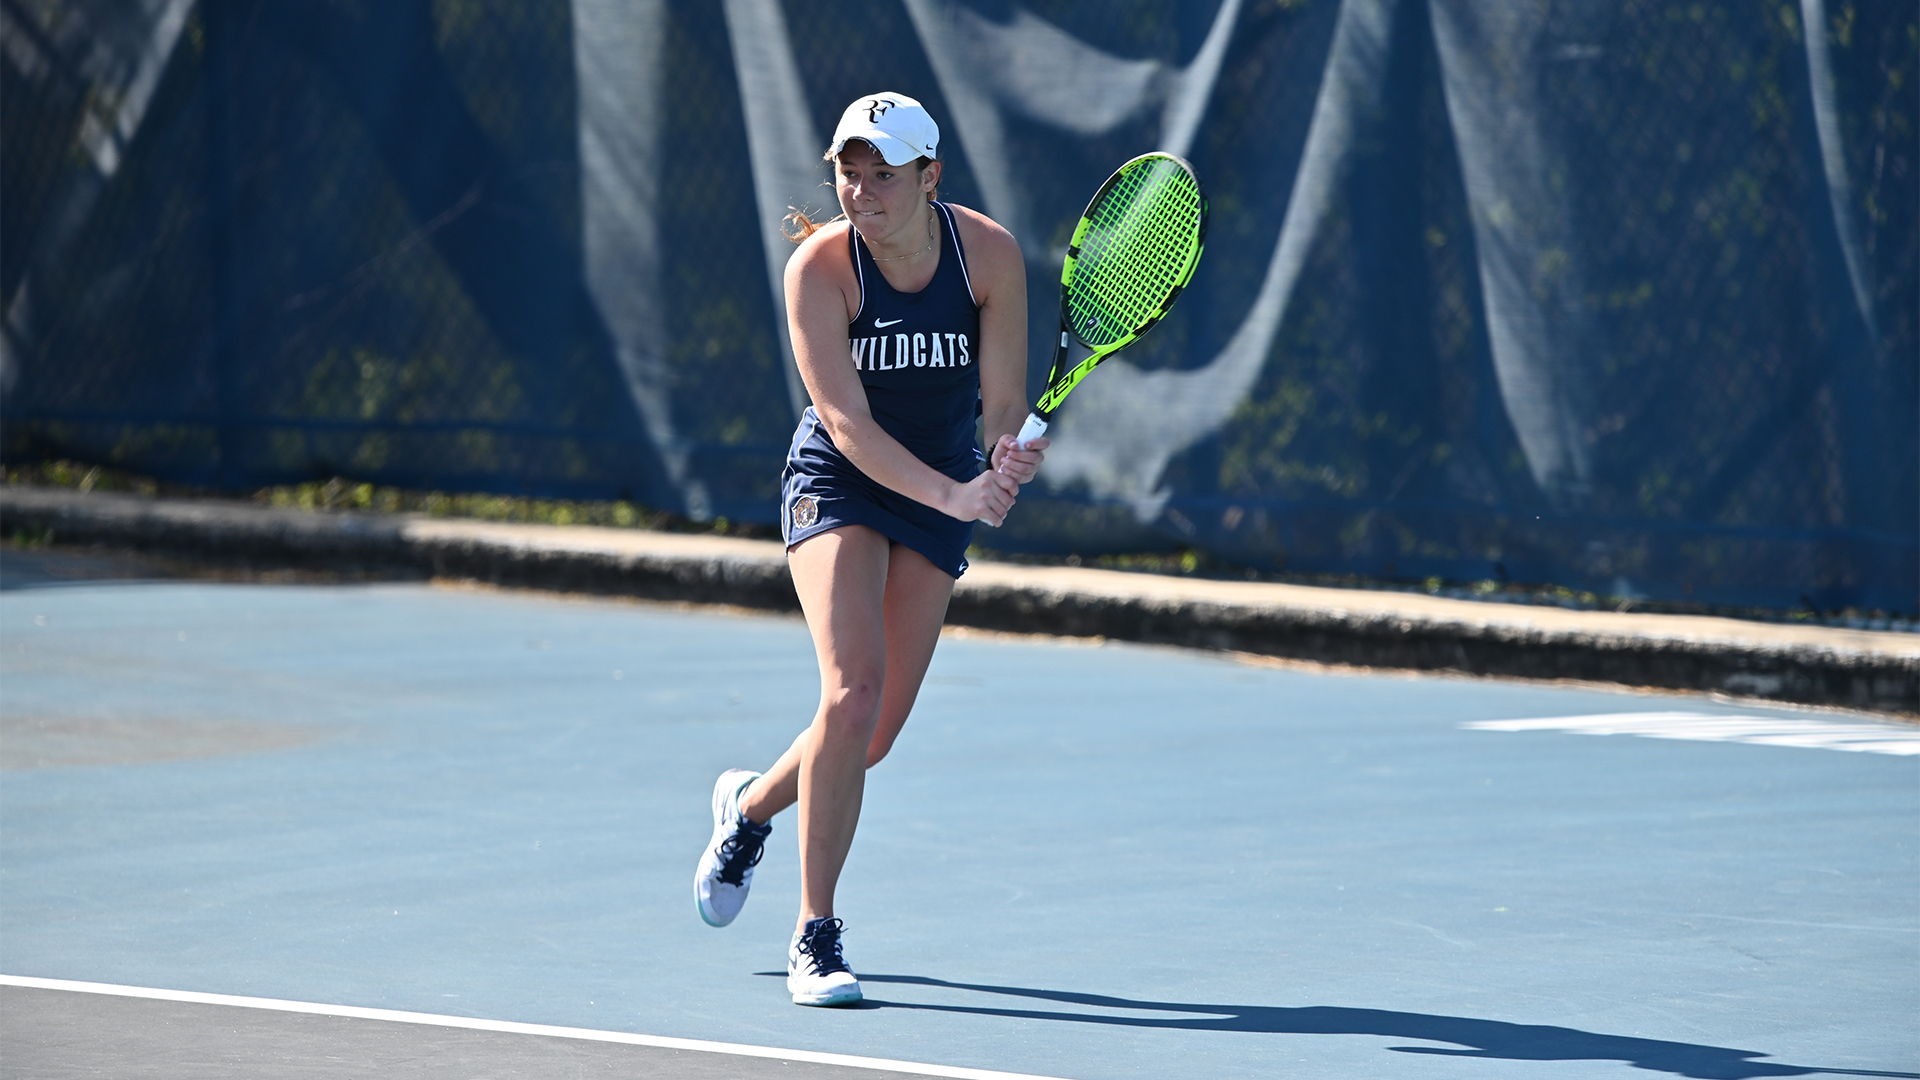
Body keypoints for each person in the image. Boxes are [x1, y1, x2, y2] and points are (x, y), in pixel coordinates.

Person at [694, 92, 1046, 1007]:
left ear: (932, 176)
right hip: (841, 481)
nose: (861, 189)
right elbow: (848, 427)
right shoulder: (820, 270)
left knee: (872, 736)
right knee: (848, 695)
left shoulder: (991, 257)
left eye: (883, 173)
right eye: (849, 170)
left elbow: (1000, 403)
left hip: (941, 482)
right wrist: (959, 493)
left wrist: (1006, 456)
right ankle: (817, 936)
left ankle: (747, 809)